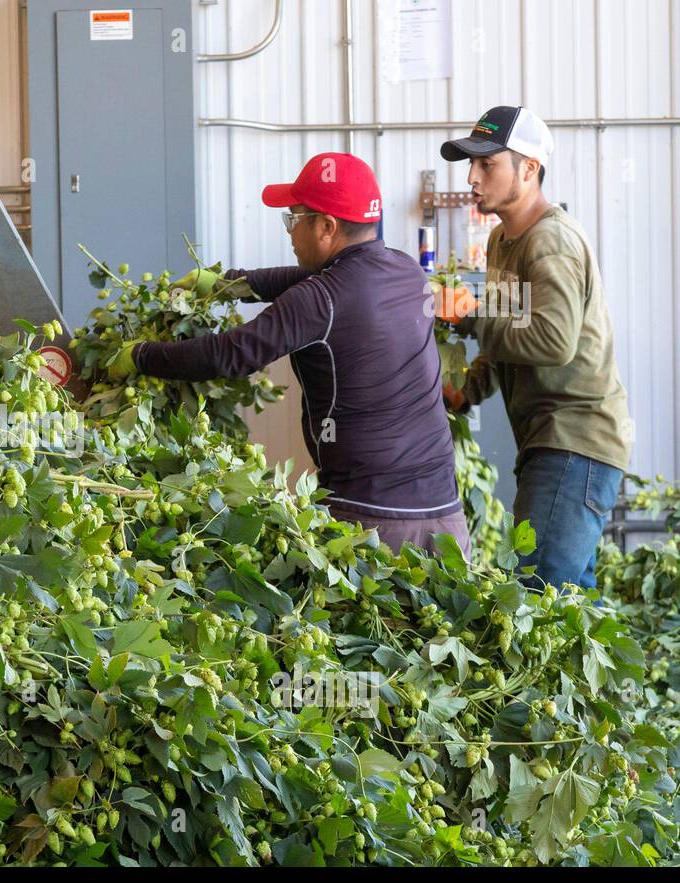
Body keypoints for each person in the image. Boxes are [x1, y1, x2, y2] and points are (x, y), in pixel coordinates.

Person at [108, 152, 470, 559]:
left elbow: (231, 353)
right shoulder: (404, 269)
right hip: (445, 518)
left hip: (374, 524)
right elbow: (304, 279)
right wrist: (228, 284)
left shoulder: (321, 299)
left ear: (327, 227)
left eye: (293, 219)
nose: (289, 233)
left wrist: (140, 356)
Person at [438, 106, 631, 591]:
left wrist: (469, 316)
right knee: (570, 611)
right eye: (472, 165)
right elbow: (509, 333)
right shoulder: (504, 239)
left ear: (529, 169)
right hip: (550, 443)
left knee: (535, 600)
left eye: (488, 164)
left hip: (575, 442)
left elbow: (553, 340)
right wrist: (469, 390)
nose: (473, 177)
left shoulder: (551, 242)